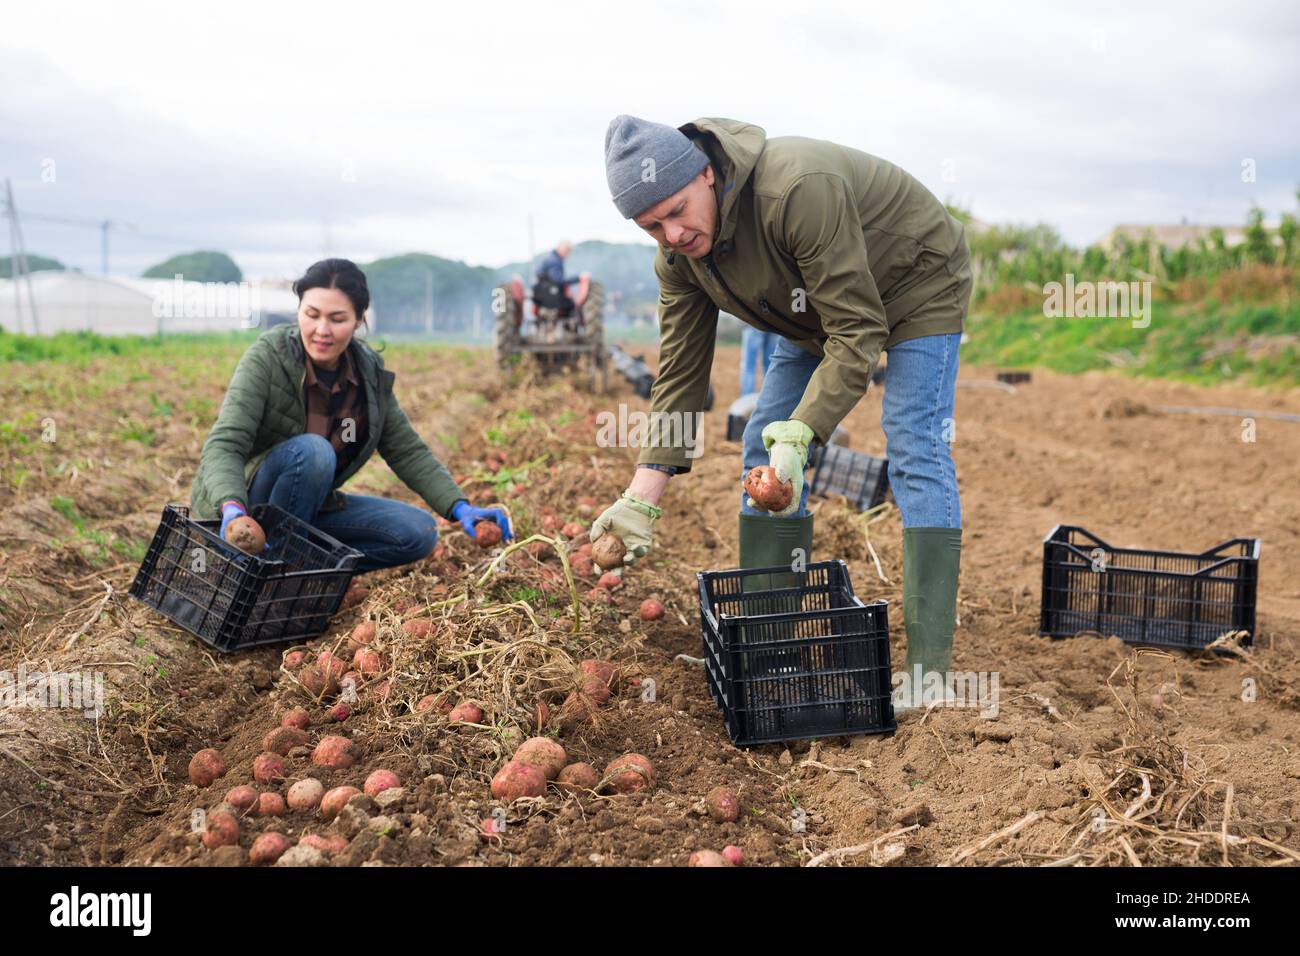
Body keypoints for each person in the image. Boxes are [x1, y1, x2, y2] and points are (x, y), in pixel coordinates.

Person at [591, 115, 970, 711]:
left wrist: (806, 432)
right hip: (815, 306)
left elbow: (859, 329)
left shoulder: (797, 189)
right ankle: (770, 645)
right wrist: (642, 495)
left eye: (677, 210)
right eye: (652, 226)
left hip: (915, 281)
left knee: (913, 446)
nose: (672, 233)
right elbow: (681, 377)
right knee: (759, 447)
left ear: (707, 174)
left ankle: (931, 671)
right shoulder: (680, 259)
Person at [190, 258, 512, 572]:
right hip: (248, 504)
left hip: (309, 507)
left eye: (337, 318)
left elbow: (407, 450)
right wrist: (231, 507)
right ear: (298, 310)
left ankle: (308, 568)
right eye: (311, 314)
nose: (321, 330)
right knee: (314, 451)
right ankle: (272, 570)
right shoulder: (269, 358)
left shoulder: (366, 374)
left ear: (359, 320)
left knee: (418, 532)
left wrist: (460, 507)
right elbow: (225, 443)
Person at [739, 325, 778, 396]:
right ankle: (769, 399)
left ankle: (746, 398)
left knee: (749, 366)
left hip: (753, 321)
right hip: (773, 323)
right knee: (770, 365)